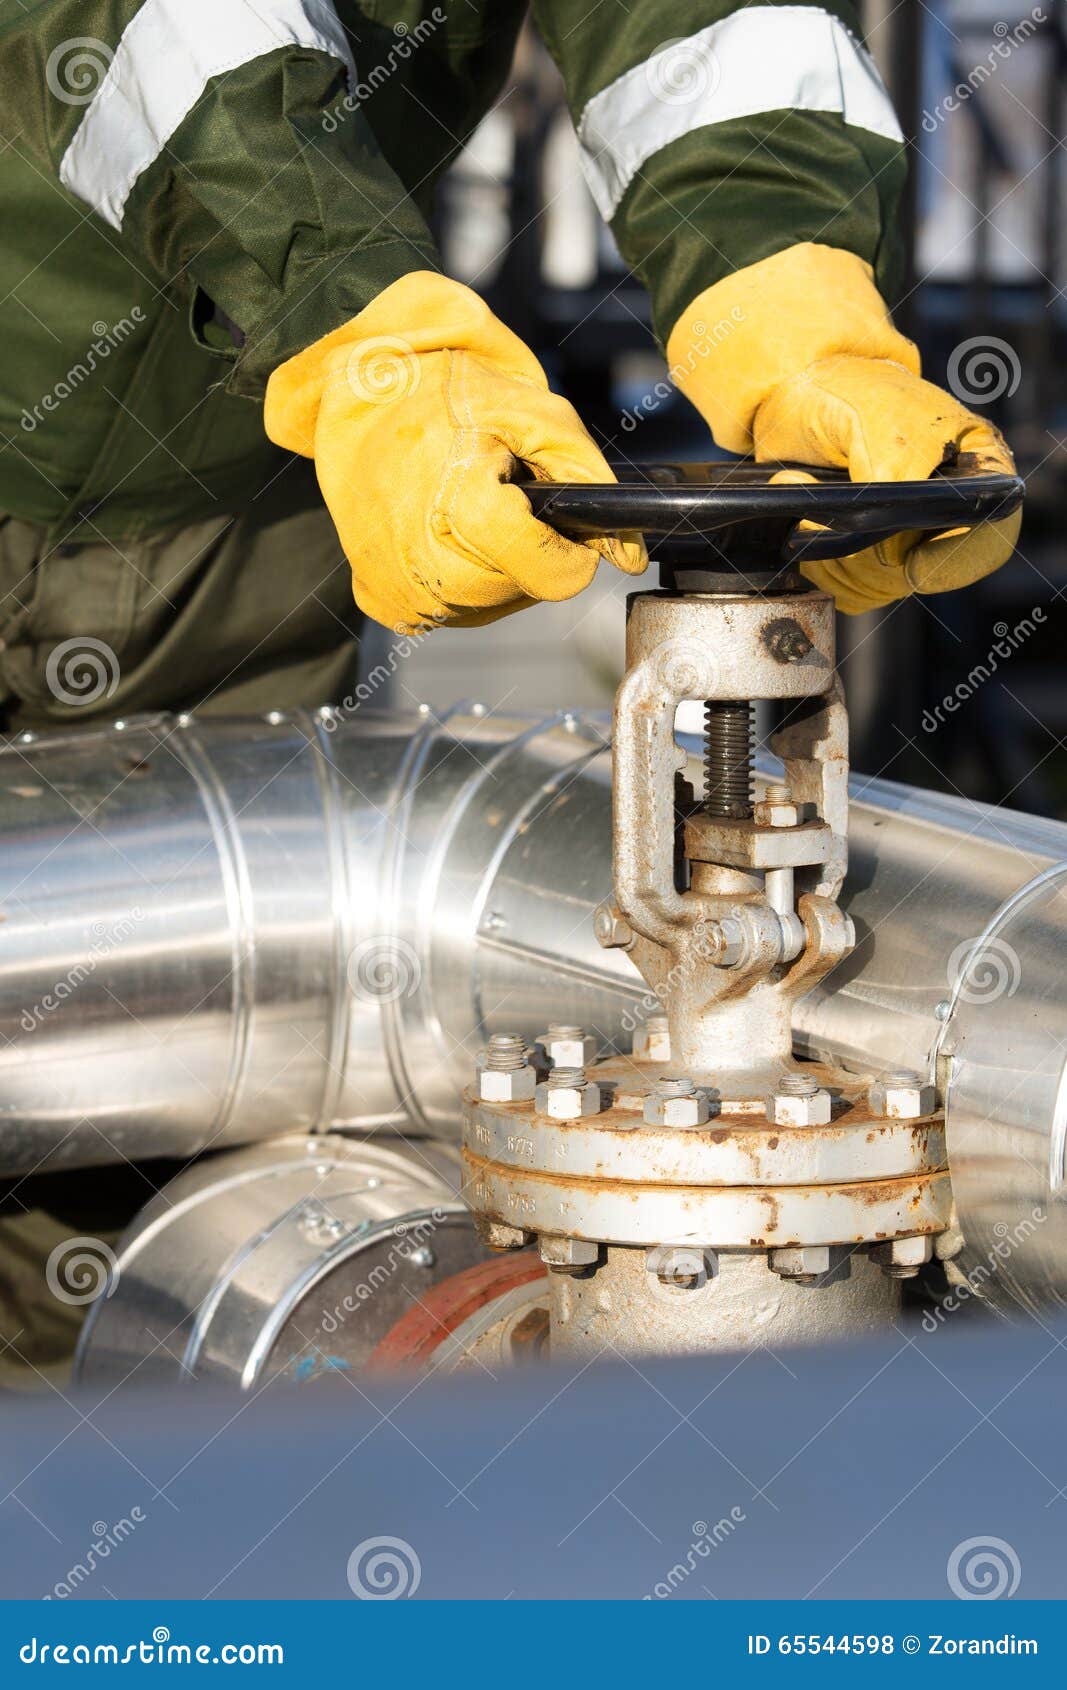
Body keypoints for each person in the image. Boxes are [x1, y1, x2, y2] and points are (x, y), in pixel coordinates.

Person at [0, 0, 1018, 1379]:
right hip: (225, 326)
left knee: (129, 1142)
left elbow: (712, 29)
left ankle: (89, 1553)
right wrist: (366, 334)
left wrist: (795, 309)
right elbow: (151, 39)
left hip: (224, 504)